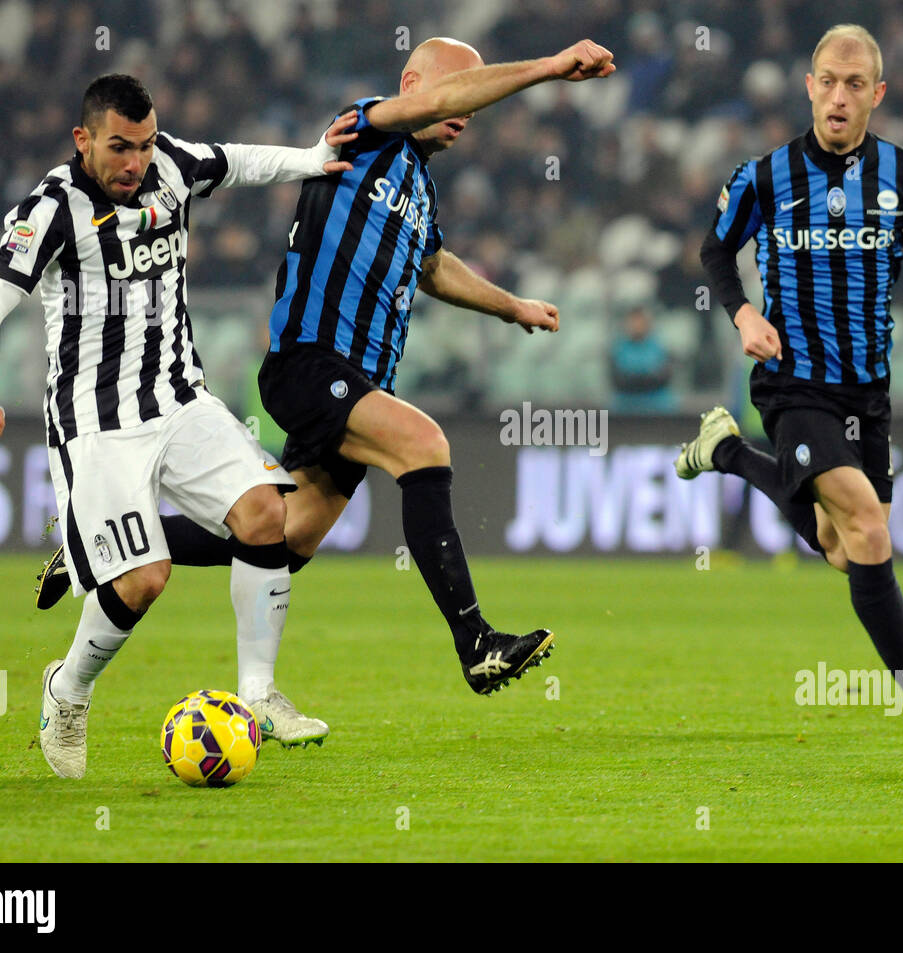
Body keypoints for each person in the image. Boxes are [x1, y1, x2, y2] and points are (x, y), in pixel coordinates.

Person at [36, 38, 617, 696]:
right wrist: (547, 67)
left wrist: (510, 307)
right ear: (411, 83)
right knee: (425, 445)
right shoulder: (364, 129)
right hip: (310, 361)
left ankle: (99, 542)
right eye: (457, 92)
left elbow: (431, 266)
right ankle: (475, 641)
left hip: (361, 379)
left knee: (286, 539)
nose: (465, 111)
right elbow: (440, 102)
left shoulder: (418, 184)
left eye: (470, 103)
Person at [0, 74, 363, 775]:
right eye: (120, 147)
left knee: (267, 514)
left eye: (145, 147)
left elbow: (234, 161)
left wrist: (307, 156)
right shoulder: (51, 207)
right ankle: (69, 688)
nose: (136, 163)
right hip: (97, 424)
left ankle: (259, 696)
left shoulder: (171, 165)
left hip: (181, 400)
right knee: (146, 578)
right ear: (83, 139)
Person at [676, 24, 903, 732]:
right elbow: (714, 249)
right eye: (827, 80)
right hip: (793, 383)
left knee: (838, 546)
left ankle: (726, 452)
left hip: (867, 390)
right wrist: (742, 315)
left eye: (855, 84)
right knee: (868, 527)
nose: (839, 96)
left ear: (876, 94)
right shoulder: (763, 176)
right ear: (809, 87)